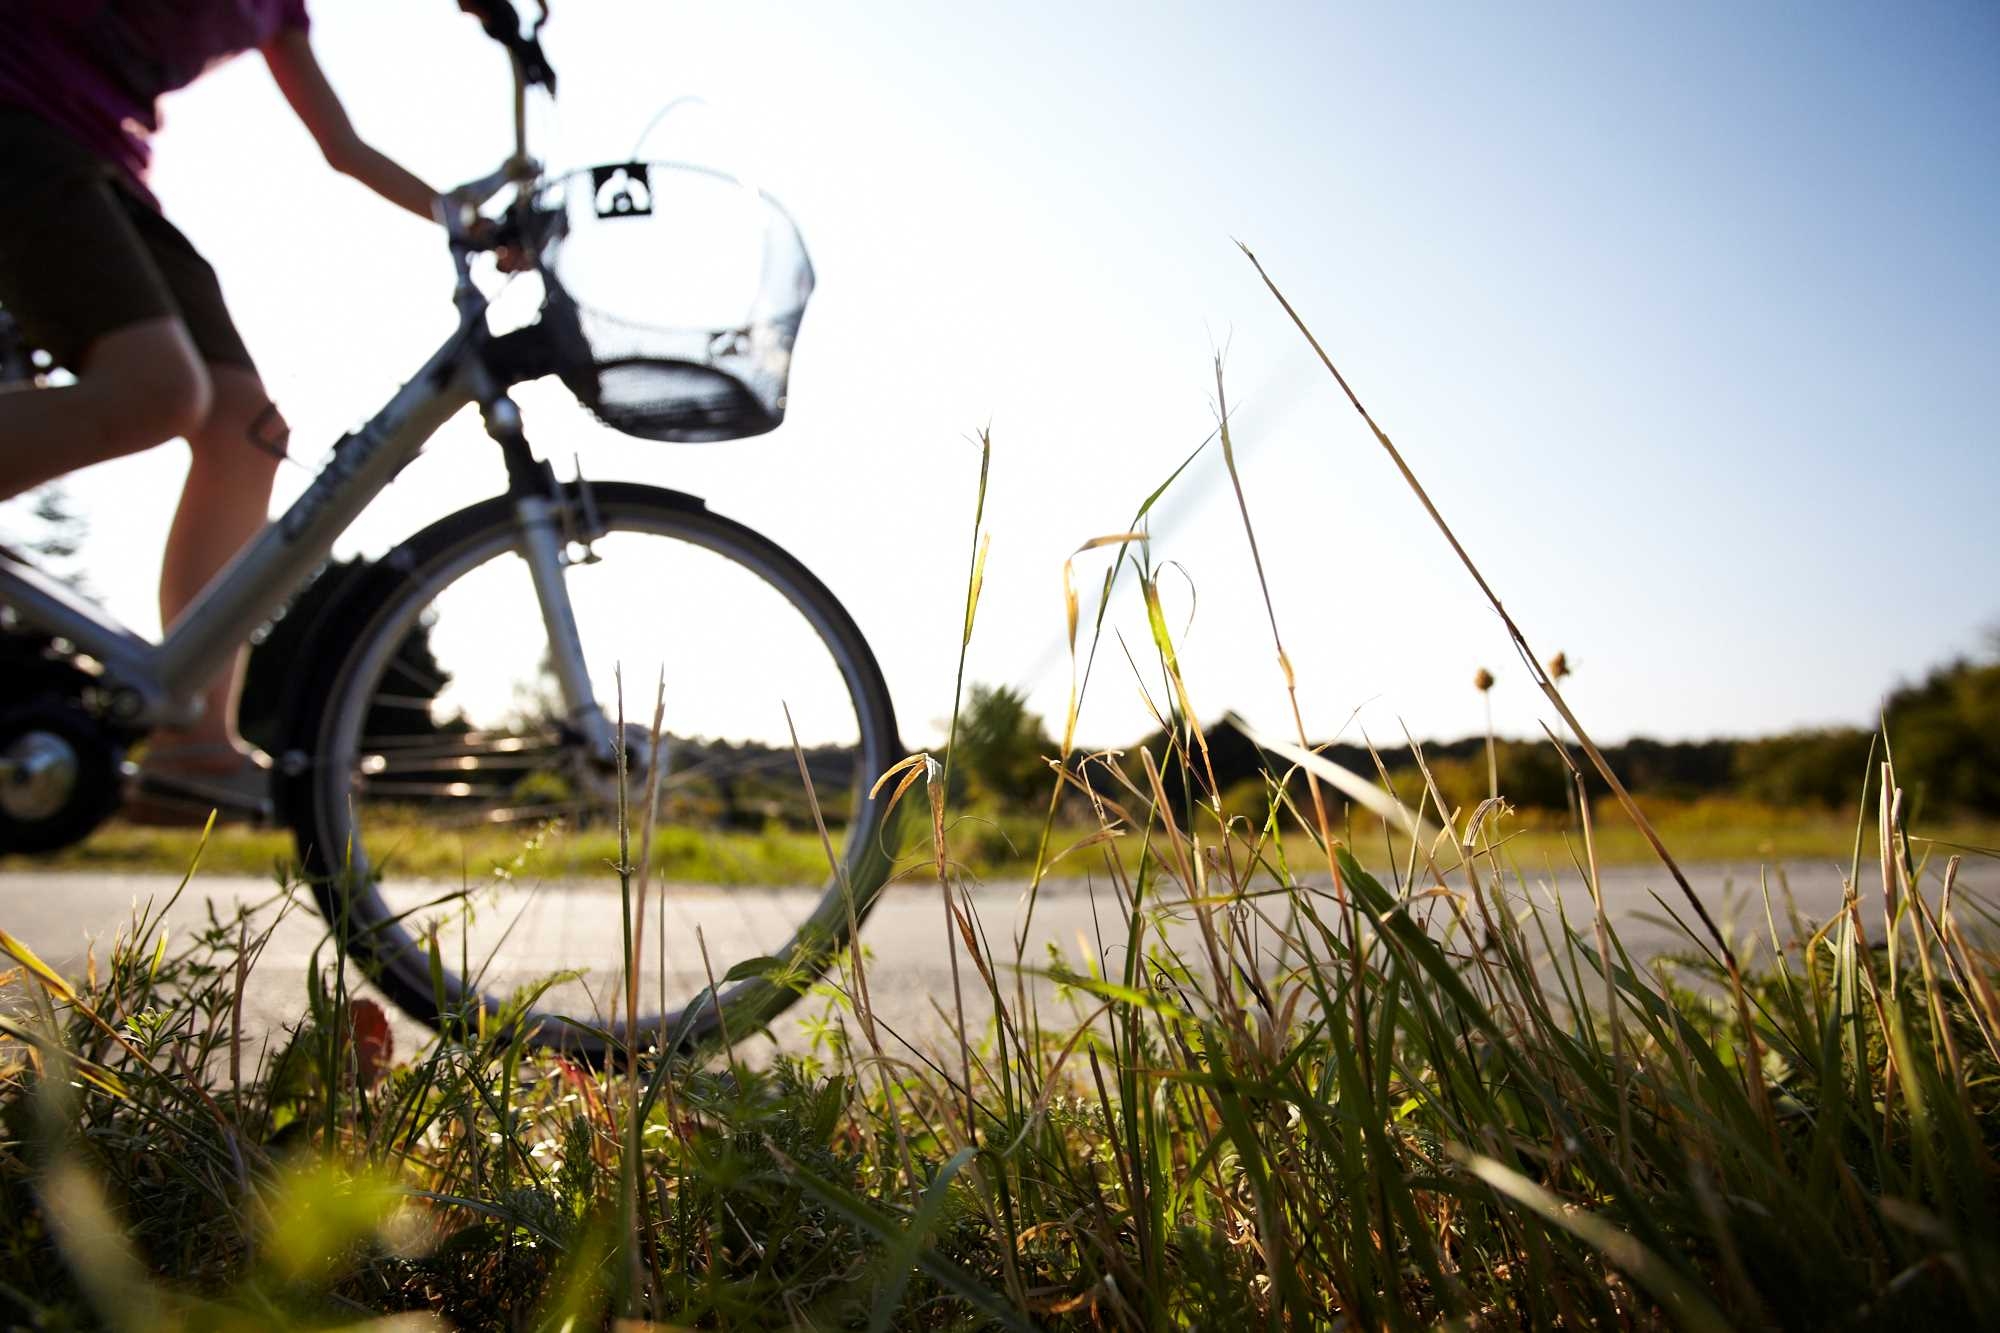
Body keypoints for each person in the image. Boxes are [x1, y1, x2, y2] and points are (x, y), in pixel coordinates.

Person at [0, 2, 469, 821]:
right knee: (159, 391)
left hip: (104, 159)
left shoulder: (279, 12)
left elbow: (344, 147)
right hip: (18, 114)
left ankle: (194, 741)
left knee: (246, 428)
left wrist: (464, 216)